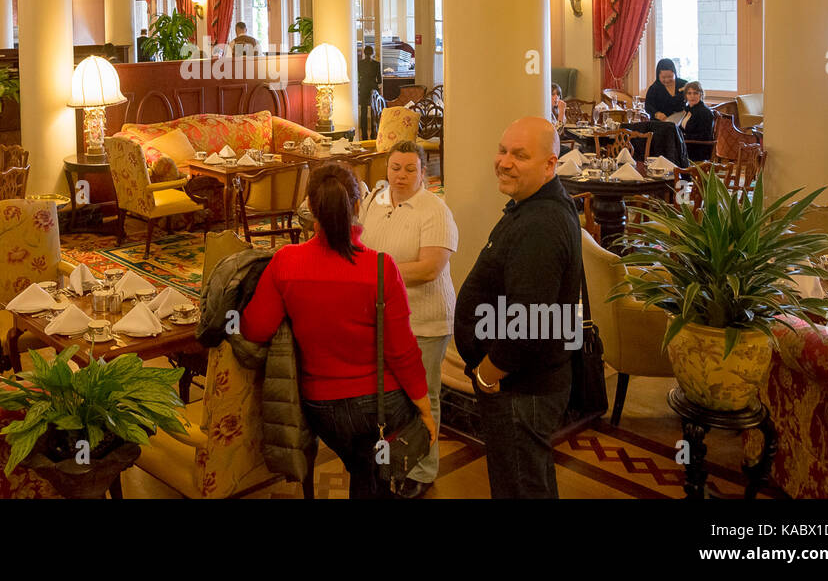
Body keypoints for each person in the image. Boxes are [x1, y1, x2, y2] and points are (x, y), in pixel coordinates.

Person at [242, 163, 435, 499]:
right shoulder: (380, 266)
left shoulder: (286, 262)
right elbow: (401, 350)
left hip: (323, 408)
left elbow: (255, 329)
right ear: (358, 206)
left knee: (364, 467)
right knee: (373, 468)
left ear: (309, 208)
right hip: (382, 404)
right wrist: (425, 408)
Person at [454, 117, 582, 498]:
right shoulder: (533, 206)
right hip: (522, 385)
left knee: (520, 489)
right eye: (502, 150)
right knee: (532, 482)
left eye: (520, 155)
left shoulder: (540, 224)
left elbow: (530, 322)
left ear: (549, 164)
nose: (504, 161)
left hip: (520, 389)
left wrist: (487, 375)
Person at [357, 141, 458, 498]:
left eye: (409, 169)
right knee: (386, 396)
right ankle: (390, 461)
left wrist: (376, 274)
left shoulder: (435, 210)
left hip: (424, 320)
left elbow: (430, 269)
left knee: (422, 397)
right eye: (395, 168)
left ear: (423, 173)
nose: (401, 176)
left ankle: (423, 469)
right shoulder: (374, 201)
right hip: (383, 318)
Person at [681, 81, 715, 162]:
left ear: (701, 94)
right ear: (686, 95)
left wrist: (683, 137)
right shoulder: (687, 110)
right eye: (689, 93)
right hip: (688, 144)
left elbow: (705, 136)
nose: (692, 96)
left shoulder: (705, 112)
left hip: (699, 149)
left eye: (695, 93)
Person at [644, 58, 686, 122]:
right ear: (658, 76)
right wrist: (657, 114)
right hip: (661, 123)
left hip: (681, 122)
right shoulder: (654, 88)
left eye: (670, 77)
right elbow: (648, 106)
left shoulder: (683, 84)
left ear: (675, 73)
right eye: (663, 77)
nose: (667, 80)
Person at [358, 45, 382, 140]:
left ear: (364, 52)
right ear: (372, 53)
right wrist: (378, 88)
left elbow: (358, 76)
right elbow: (379, 79)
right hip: (373, 88)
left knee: (363, 111)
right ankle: (373, 134)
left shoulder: (360, 64)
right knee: (374, 111)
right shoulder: (376, 64)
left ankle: (364, 135)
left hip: (363, 87)